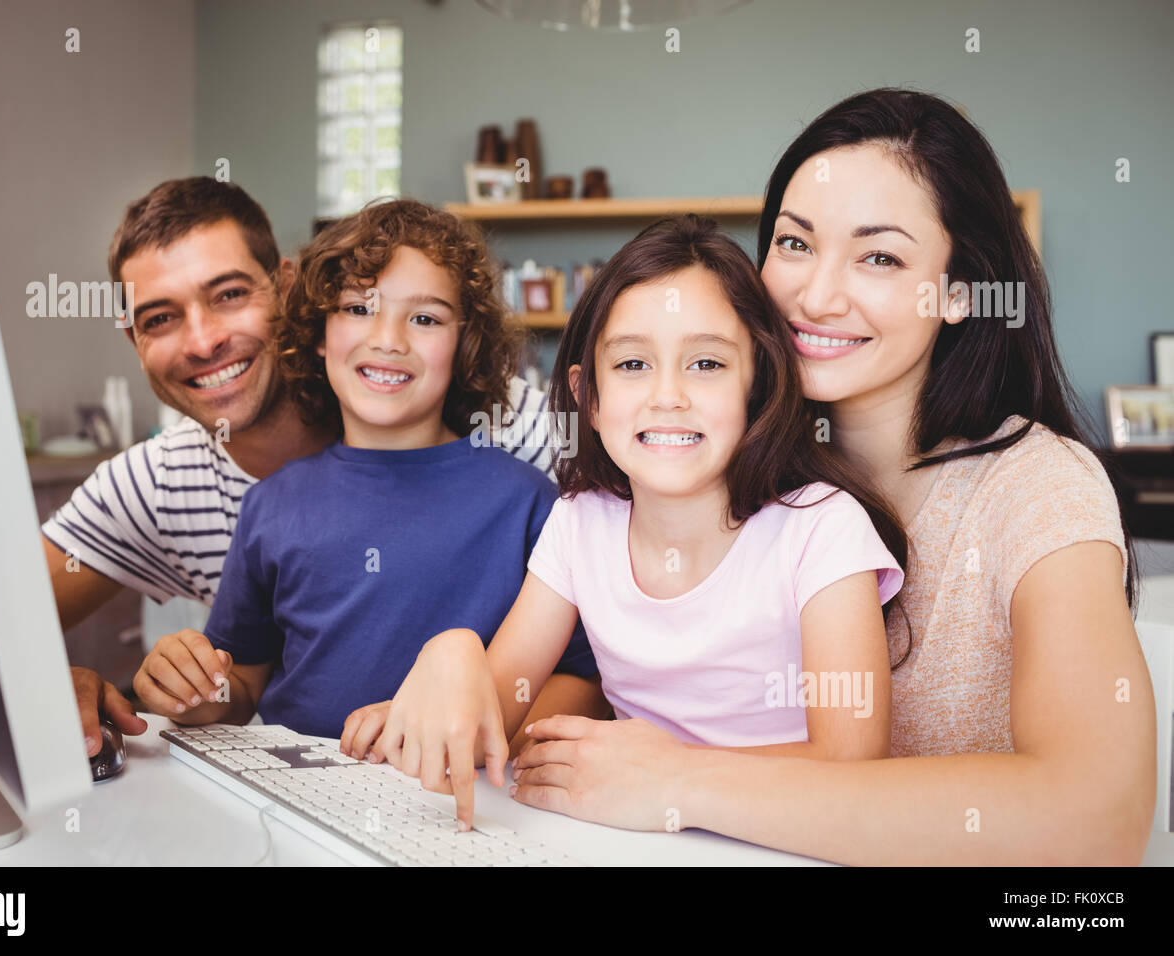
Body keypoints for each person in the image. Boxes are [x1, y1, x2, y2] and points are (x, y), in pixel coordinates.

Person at [508, 89, 1157, 865]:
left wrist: (685, 781)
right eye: (794, 243)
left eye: (880, 256)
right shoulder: (711, 465)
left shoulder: (1037, 488)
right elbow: (614, 649)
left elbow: (1099, 818)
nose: (816, 296)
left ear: (958, 291)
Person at [0, 177, 566, 755]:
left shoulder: (514, 433)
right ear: (134, 340)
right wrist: (33, 683)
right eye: (159, 318)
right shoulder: (150, 488)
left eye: (229, 294)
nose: (204, 339)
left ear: (290, 290)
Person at [344, 214, 911, 829]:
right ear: (588, 397)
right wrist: (447, 671)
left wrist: (666, 777)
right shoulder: (580, 523)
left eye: (707, 364)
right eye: (633, 365)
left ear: (759, 385)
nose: (668, 395)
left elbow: (855, 761)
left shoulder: (822, 528)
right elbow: (502, 707)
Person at [129, 198, 602, 745]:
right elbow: (243, 686)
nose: (388, 339)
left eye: (424, 318)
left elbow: (583, 681)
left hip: (462, 801)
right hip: (297, 799)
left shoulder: (526, 503)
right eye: (358, 308)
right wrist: (190, 686)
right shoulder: (272, 504)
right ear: (319, 332)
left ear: (464, 344)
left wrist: (467, 737)